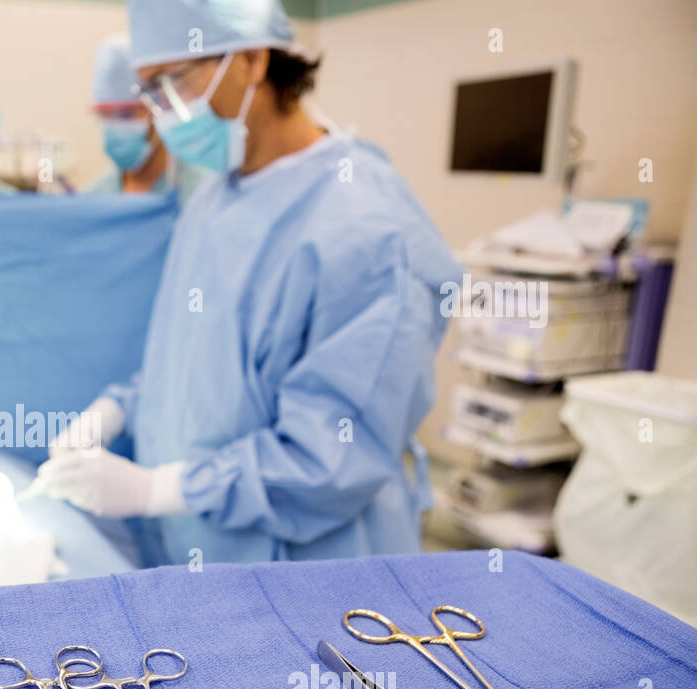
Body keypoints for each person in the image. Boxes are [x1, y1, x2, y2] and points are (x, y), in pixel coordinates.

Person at [36, 0, 461, 566]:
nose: (162, 110)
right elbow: (197, 365)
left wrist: (157, 491)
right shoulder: (214, 198)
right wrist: (119, 409)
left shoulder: (371, 230)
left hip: (314, 574)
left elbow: (334, 456)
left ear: (253, 60)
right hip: (203, 548)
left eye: (173, 81)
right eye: (149, 91)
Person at [82, 33, 211, 202]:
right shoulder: (94, 197)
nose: (114, 125)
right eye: (105, 115)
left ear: (160, 107)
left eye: (125, 114)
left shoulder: (202, 191)